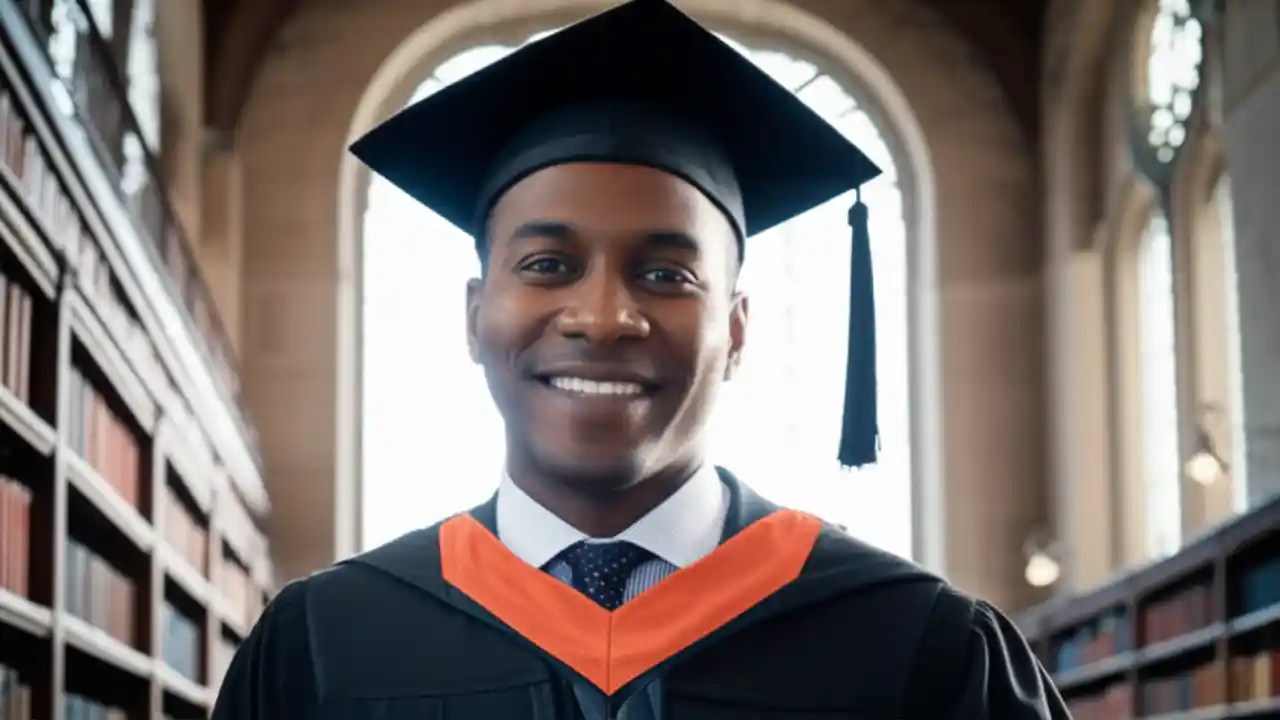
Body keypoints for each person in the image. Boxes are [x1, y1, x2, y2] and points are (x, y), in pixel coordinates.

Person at [212, 1, 1070, 718]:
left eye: (666, 274)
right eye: (548, 265)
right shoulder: (323, 650)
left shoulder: (919, 645)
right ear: (474, 317)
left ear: (735, 331)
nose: (604, 316)